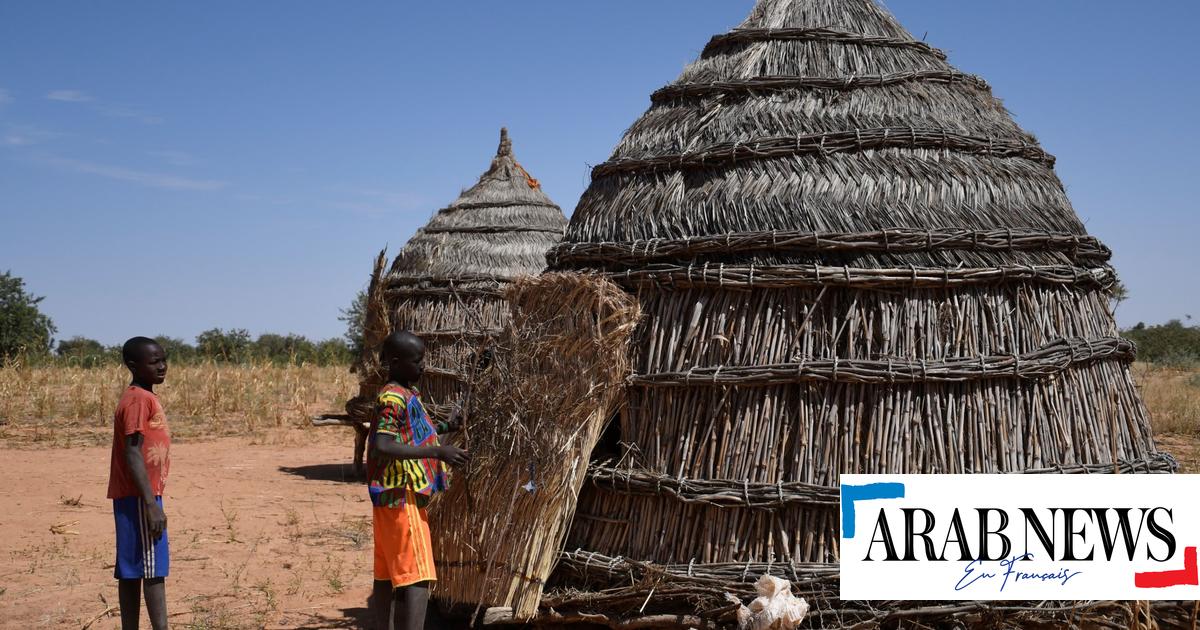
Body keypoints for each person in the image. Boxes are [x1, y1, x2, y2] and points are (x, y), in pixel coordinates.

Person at [368, 330, 470, 630]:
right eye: (418, 360)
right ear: (396, 362)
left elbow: (408, 434)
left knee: (388, 572)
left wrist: (444, 427)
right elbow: (383, 445)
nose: (423, 365)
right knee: (417, 575)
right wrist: (438, 451)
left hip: (389, 497)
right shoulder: (393, 397)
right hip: (403, 496)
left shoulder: (406, 395)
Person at [107, 336, 171, 630]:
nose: (162, 366)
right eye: (154, 361)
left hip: (135, 495)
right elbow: (132, 451)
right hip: (139, 496)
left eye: (163, 359)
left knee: (132, 570)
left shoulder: (141, 396)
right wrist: (150, 504)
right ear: (133, 365)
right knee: (152, 570)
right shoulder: (138, 399)